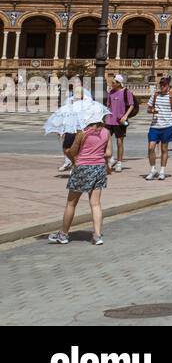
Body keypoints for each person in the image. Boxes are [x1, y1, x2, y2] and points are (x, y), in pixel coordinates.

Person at [48, 114, 112, 246]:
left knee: (71, 203)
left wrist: (70, 150)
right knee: (95, 203)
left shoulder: (83, 133)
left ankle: (63, 234)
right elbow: (109, 153)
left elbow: (72, 151)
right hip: (99, 168)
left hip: (82, 168)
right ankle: (97, 235)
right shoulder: (106, 132)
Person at [145, 76, 172, 181]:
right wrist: (152, 111)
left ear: (168, 85)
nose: (162, 86)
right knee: (151, 147)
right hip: (155, 125)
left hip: (168, 125)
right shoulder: (155, 95)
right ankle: (153, 169)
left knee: (164, 149)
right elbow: (148, 109)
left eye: (164, 84)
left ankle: (162, 170)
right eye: (161, 84)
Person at [104, 74, 137, 173]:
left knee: (119, 142)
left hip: (120, 121)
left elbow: (131, 105)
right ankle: (111, 159)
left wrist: (125, 116)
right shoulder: (111, 92)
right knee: (106, 141)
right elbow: (108, 106)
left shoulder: (126, 92)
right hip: (109, 120)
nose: (112, 84)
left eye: (113, 83)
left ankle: (119, 162)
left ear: (119, 83)